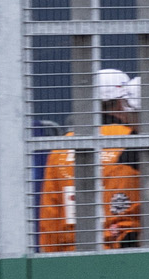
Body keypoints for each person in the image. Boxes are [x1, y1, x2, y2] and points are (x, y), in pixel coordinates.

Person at [37, 67, 142, 252]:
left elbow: (50, 216)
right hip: (125, 253)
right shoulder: (133, 142)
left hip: (69, 257)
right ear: (122, 103)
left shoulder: (61, 149)